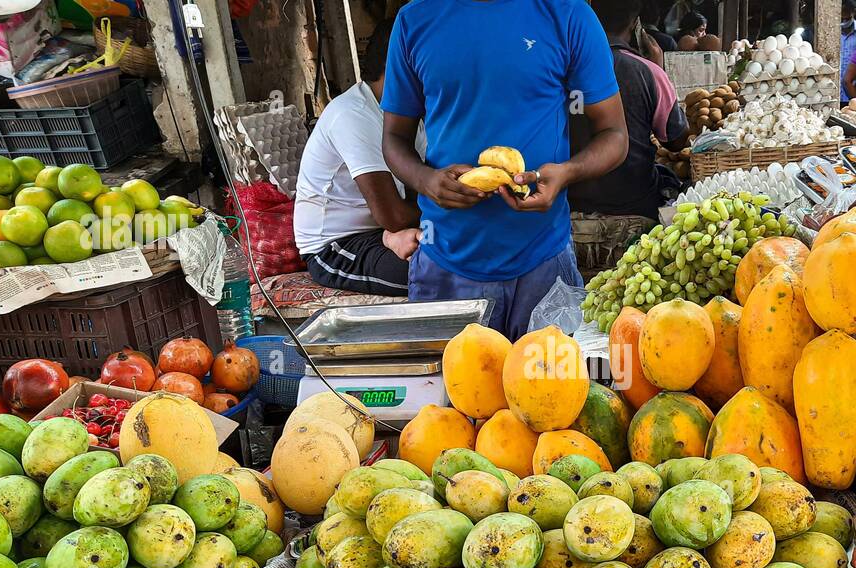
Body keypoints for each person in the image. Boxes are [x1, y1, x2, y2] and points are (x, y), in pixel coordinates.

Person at [381, 0, 629, 340]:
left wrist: (566, 173)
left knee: (552, 392)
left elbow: (614, 134)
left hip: (543, 264)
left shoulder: (567, 14)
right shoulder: (415, 20)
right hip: (445, 266)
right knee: (447, 393)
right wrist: (426, 180)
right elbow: (394, 137)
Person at [293, 20, 420, 297]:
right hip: (336, 246)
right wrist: (399, 232)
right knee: (432, 275)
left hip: (381, 231)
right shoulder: (353, 115)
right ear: (400, 68)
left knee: (464, 257)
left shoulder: (410, 115)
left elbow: (419, 193)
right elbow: (394, 215)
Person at [569, 0, 688, 220]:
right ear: (636, 25)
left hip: (569, 200)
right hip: (634, 203)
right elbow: (676, 141)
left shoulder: (564, 69)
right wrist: (659, 71)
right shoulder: (647, 71)